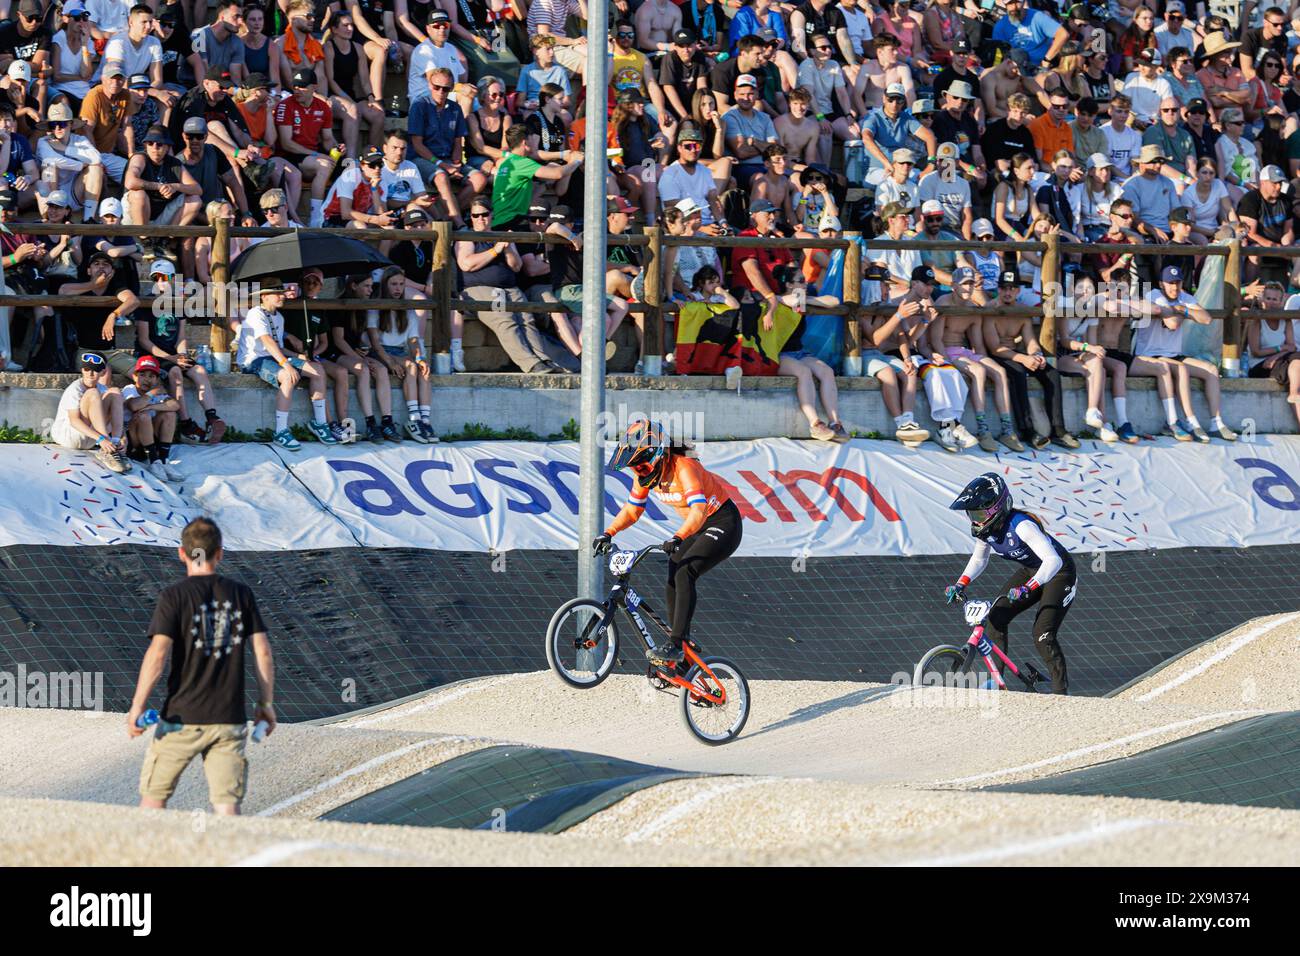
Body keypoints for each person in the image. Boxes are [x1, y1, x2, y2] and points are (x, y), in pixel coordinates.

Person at [129, 517, 275, 817]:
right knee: (227, 808)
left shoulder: (174, 596)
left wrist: (137, 707)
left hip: (181, 718)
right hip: (228, 718)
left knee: (153, 801)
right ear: (219, 553)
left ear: (182, 553)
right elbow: (263, 652)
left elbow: (158, 656)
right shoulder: (240, 594)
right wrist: (266, 703)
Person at [595, 419, 743, 666]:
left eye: (640, 467)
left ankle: (677, 643)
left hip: (723, 523)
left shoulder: (684, 466)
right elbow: (632, 510)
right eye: (633, 469)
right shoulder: (644, 474)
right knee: (674, 568)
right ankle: (681, 648)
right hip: (697, 526)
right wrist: (608, 532)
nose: (637, 473)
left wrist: (677, 537)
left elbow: (698, 512)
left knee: (685, 572)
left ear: (658, 456)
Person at [945, 472, 1075, 695]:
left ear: (996, 509)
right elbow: (979, 558)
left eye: (978, 513)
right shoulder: (984, 530)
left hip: (1059, 573)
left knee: (1042, 634)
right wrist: (960, 584)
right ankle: (998, 683)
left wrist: (1028, 587)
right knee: (996, 617)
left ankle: (1061, 694)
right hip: (1032, 571)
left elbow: (1053, 560)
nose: (974, 519)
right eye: (971, 514)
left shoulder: (1022, 526)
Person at [1136, 265, 1238, 442]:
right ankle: (1191, 421)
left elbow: (1206, 319)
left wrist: (1182, 309)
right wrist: (1186, 312)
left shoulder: (1184, 297)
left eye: (1177, 283)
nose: (1174, 287)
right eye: (1170, 283)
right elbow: (1173, 324)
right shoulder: (1154, 295)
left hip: (1173, 354)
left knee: (1212, 370)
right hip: (1151, 354)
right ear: (1161, 283)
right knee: (1182, 369)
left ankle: (1216, 423)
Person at [235, 279, 337, 450]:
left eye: (282, 293)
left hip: (273, 357)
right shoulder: (255, 313)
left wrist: (298, 356)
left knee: (317, 369)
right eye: (277, 293)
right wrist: (286, 364)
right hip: (253, 360)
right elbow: (267, 341)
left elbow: (278, 347)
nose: (282, 296)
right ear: (265, 296)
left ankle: (320, 423)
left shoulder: (279, 318)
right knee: (287, 376)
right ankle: (280, 431)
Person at [983, 273, 1080, 450]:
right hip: (996, 355)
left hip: (1016, 354)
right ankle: (1027, 430)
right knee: (1018, 373)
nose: (1007, 292)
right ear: (998, 289)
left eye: (1012, 288)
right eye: (1004, 288)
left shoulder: (1022, 310)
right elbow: (994, 348)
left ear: (1018, 290)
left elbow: (1030, 341)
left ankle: (1058, 430)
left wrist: (1036, 355)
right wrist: (1024, 359)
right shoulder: (990, 310)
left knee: (1051, 373)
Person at [137, 259, 227, 444]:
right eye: (157, 278)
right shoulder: (146, 303)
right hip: (153, 356)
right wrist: (172, 358)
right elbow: (144, 341)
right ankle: (186, 423)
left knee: (199, 371)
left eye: (166, 277)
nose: (162, 281)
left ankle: (212, 418)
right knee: (176, 372)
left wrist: (183, 355)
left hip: (173, 354)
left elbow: (181, 337)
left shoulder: (180, 304)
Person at [49, 351, 129, 473]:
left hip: (91, 438)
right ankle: (106, 448)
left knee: (115, 392)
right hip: (70, 436)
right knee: (93, 393)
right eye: (86, 369)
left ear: (102, 372)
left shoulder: (103, 389)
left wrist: (123, 437)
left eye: (95, 370)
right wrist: (102, 439)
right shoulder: (75, 388)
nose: (90, 374)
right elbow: (74, 420)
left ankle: (114, 444)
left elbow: (113, 414)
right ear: (82, 370)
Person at [120, 354, 183, 481]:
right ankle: (154, 461)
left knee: (169, 414)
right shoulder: (130, 389)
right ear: (134, 376)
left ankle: (164, 460)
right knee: (143, 415)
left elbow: (175, 405)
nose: (146, 379)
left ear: (157, 380)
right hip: (132, 443)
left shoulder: (157, 392)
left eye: (151, 376)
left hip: (151, 441)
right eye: (142, 375)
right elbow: (134, 405)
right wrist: (151, 394)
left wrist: (152, 407)